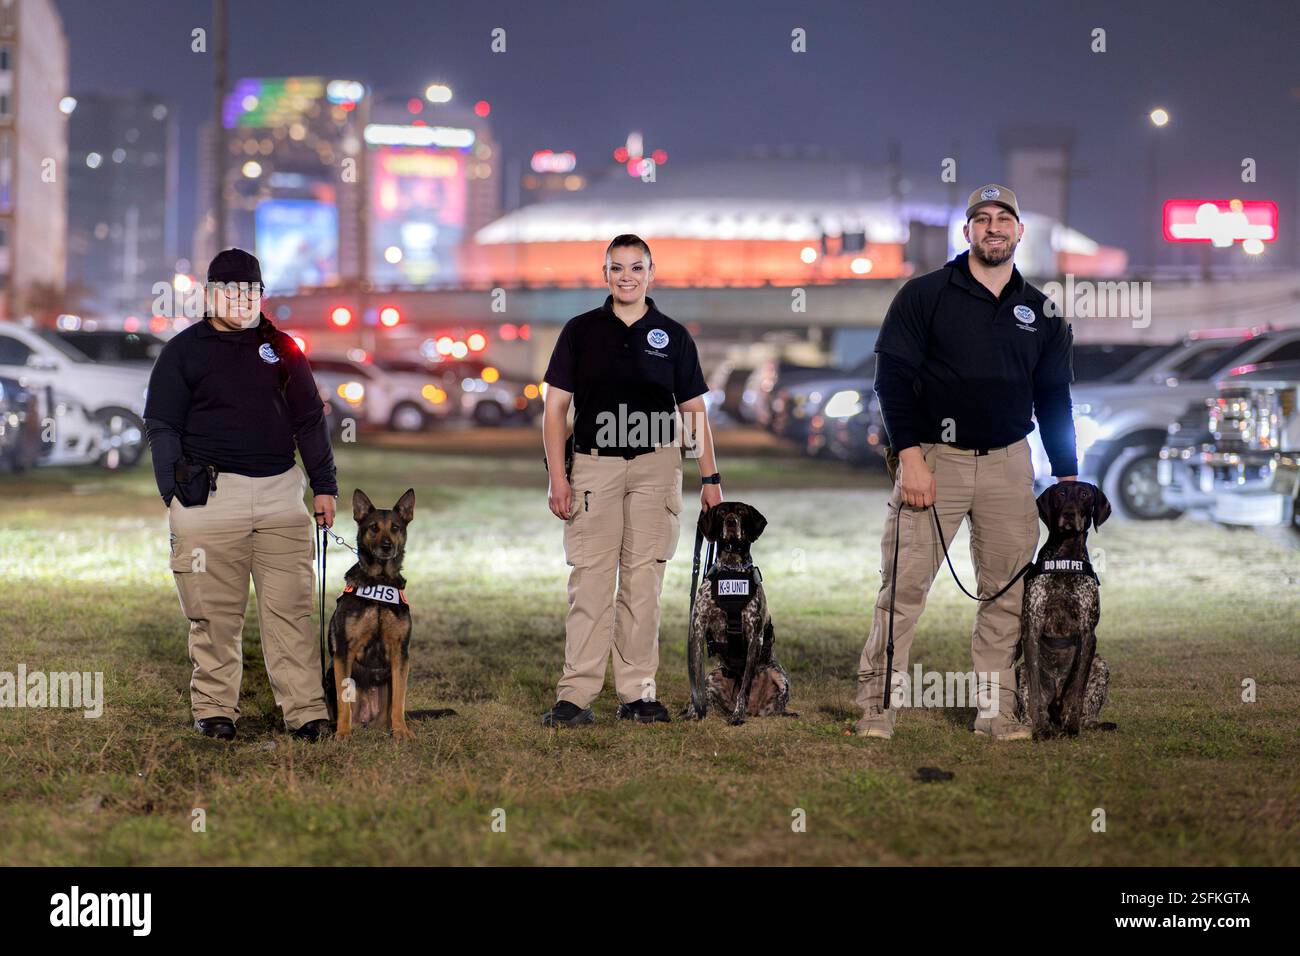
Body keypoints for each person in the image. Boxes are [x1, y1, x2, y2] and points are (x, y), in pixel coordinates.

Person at [855, 185, 1078, 741]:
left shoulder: (1043, 311)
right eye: (982, 219)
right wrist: (909, 455)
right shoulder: (925, 295)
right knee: (903, 591)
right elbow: (891, 379)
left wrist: (1067, 475)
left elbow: (1054, 398)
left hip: (1008, 465)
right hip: (935, 460)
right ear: (968, 232)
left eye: (1004, 218)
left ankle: (996, 713)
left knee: (1006, 594)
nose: (993, 227)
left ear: (1020, 231)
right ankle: (877, 709)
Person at [144, 248, 338, 742]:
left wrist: (324, 486)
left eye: (250, 290)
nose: (240, 299)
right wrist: (172, 488)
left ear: (260, 295)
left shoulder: (283, 349)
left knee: (292, 610)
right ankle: (214, 710)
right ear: (210, 295)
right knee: (213, 615)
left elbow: (309, 421)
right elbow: (162, 423)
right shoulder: (182, 351)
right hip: (210, 498)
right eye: (230, 290)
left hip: (280, 496)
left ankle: (306, 711)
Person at [540, 234, 722, 726]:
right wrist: (558, 477)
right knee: (591, 582)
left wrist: (711, 478)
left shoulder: (673, 336)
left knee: (643, 583)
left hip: (656, 467)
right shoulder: (580, 332)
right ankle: (575, 696)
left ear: (651, 273)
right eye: (617, 268)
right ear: (605, 274)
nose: (627, 276)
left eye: (636, 268)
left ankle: (638, 695)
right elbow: (555, 409)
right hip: (594, 465)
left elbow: (693, 411)